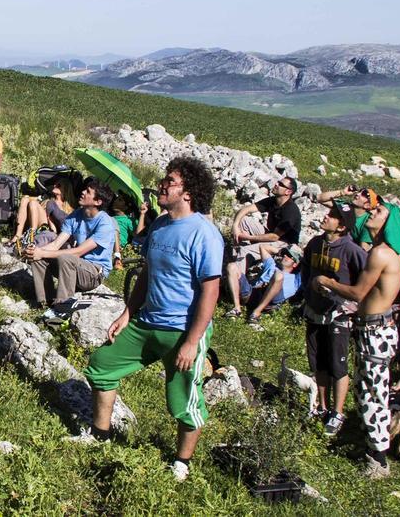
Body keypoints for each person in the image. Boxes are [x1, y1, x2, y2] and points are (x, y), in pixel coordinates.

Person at [81, 157, 223, 482]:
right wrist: (127, 313)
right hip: (147, 322)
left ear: (188, 192)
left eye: (170, 181)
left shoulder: (204, 233)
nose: (161, 184)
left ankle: (182, 462)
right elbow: (147, 273)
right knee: (102, 365)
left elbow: (210, 291)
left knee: (183, 402)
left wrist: (192, 342)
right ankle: (99, 435)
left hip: (182, 330)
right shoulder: (159, 225)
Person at [314, 204, 400, 479]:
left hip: (375, 332)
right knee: (367, 388)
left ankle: (378, 458)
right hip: (375, 329)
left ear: (388, 223)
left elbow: (358, 293)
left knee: (373, 392)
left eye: (379, 212)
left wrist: (327, 282)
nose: (372, 212)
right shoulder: (385, 251)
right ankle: (370, 445)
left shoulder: (381, 253)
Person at [299, 202, 367, 437]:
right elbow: (305, 268)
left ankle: (337, 412)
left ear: (342, 227)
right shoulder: (315, 243)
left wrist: (353, 305)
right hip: (314, 311)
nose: (326, 217)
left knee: (338, 364)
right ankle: (322, 406)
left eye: (332, 216)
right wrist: (307, 291)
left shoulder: (352, 251)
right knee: (318, 361)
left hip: (339, 314)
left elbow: (365, 281)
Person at [25, 178, 117, 319]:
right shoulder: (76, 215)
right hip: (74, 266)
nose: (83, 192)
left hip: (93, 273)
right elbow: (56, 244)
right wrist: (36, 251)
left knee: (65, 257)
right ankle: (46, 301)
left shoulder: (105, 223)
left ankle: (62, 307)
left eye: (88, 192)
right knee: (39, 256)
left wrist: (43, 252)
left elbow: (78, 252)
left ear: (98, 202)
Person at [225, 176, 302, 318]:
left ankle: (239, 283)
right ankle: (239, 263)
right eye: (277, 182)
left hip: (283, 243)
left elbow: (275, 237)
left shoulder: (291, 211)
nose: (276, 184)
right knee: (244, 221)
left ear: (288, 192)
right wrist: (236, 226)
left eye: (281, 184)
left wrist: (247, 238)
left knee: (245, 250)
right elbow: (246, 210)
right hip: (270, 234)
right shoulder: (273, 201)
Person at [241, 243, 303, 328]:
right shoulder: (272, 265)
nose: (285, 256)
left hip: (274, 298)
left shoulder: (296, 279)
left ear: (295, 264)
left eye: (289, 256)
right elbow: (263, 247)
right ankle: (236, 309)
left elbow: (309, 267)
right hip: (255, 292)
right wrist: (280, 252)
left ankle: (256, 313)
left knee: (278, 275)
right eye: (285, 254)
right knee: (232, 266)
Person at [9, 175, 75, 247]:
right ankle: (18, 235)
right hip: (42, 224)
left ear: (65, 189)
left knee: (33, 203)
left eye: (58, 185)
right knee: (26, 200)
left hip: (54, 231)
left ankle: (32, 235)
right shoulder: (49, 200)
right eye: (55, 184)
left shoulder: (70, 207)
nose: (54, 185)